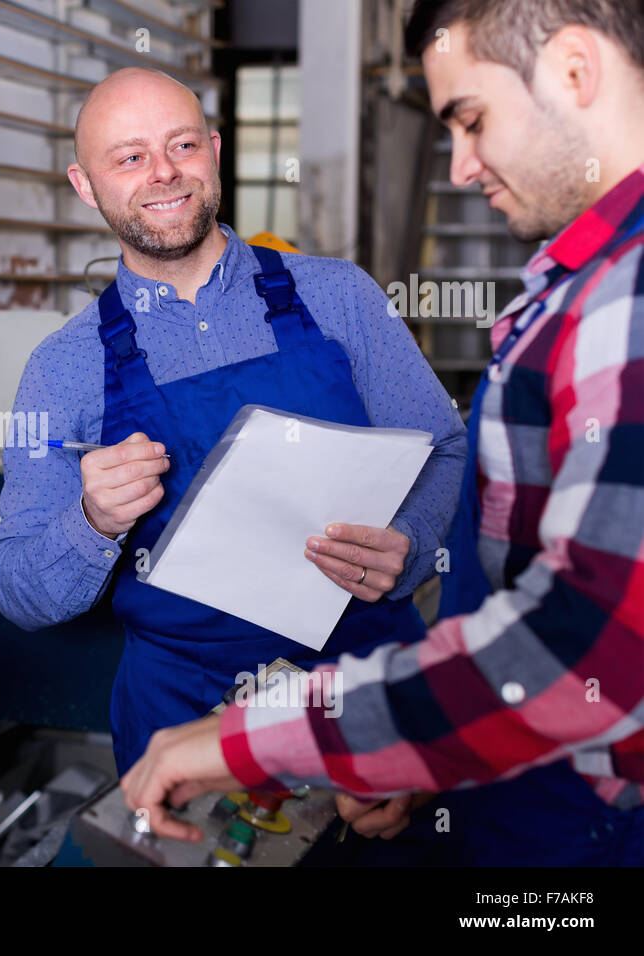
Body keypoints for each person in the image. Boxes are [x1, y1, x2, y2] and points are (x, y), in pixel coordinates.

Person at [119, 0, 644, 866]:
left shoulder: (625, 299)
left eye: (471, 120)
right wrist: (423, 749)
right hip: (521, 778)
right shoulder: (576, 286)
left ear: (575, 71)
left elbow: (587, 653)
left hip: (588, 822)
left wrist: (247, 740)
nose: (464, 166)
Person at [0, 65, 467, 778]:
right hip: (187, 717)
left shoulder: (340, 299)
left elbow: (449, 452)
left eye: (182, 146)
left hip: (366, 688)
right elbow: (18, 589)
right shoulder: (63, 369)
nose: (163, 174)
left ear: (213, 150)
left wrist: (413, 541)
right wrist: (91, 520)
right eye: (129, 157)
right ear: (85, 185)